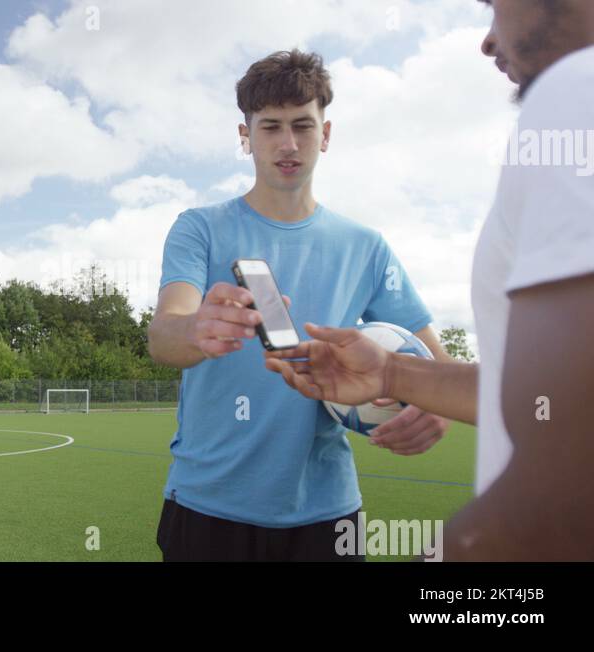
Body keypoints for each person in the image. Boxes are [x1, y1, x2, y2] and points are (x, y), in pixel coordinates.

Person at [265, 0, 594, 560]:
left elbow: (571, 480)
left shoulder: (574, 93)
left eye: (495, 5)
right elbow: (546, 394)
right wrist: (396, 371)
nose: (488, 41)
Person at [147, 49, 452, 562]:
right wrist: (197, 328)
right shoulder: (198, 227)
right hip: (207, 506)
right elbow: (163, 336)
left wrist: (436, 406)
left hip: (326, 514)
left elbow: (436, 364)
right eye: (270, 127)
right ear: (245, 136)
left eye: (303, 126)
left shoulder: (366, 246)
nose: (288, 144)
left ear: (325, 135)